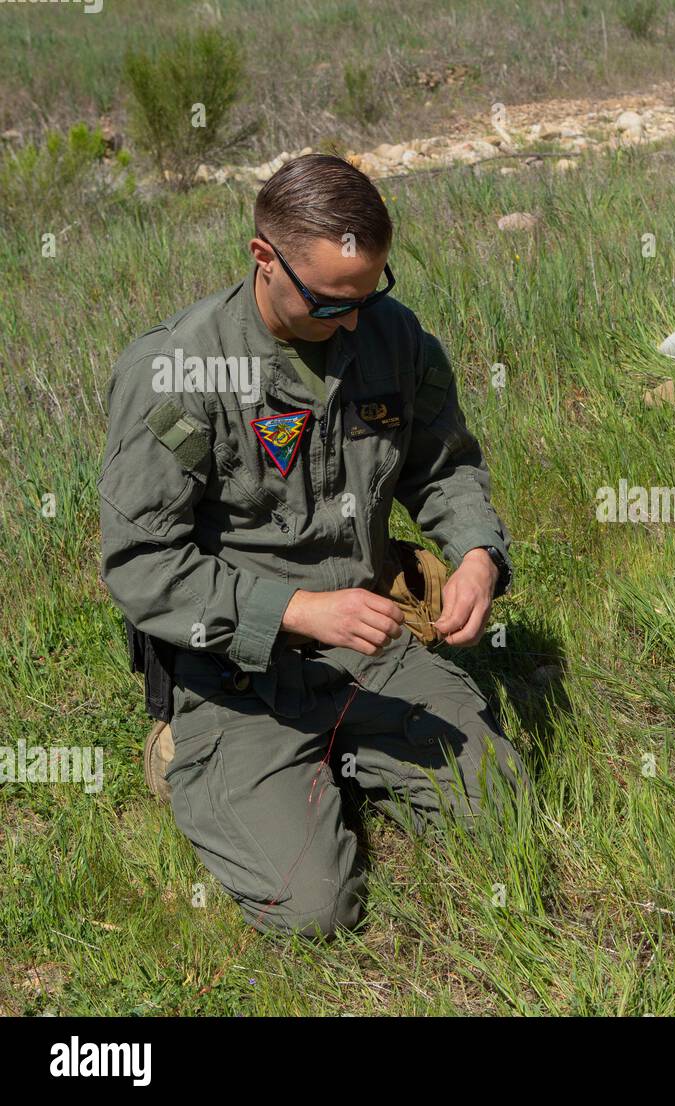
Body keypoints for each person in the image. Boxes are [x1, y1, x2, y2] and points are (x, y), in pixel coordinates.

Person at [98, 154, 529, 939]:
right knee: (314, 911)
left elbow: (445, 468)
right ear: (264, 258)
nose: (356, 321)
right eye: (332, 303)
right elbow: (140, 564)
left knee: (505, 820)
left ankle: (333, 766)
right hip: (236, 668)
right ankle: (189, 749)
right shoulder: (179, 373)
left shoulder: (392, 339)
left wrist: (475, 555)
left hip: (371, 644)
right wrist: (295, 608)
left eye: (372, 292)